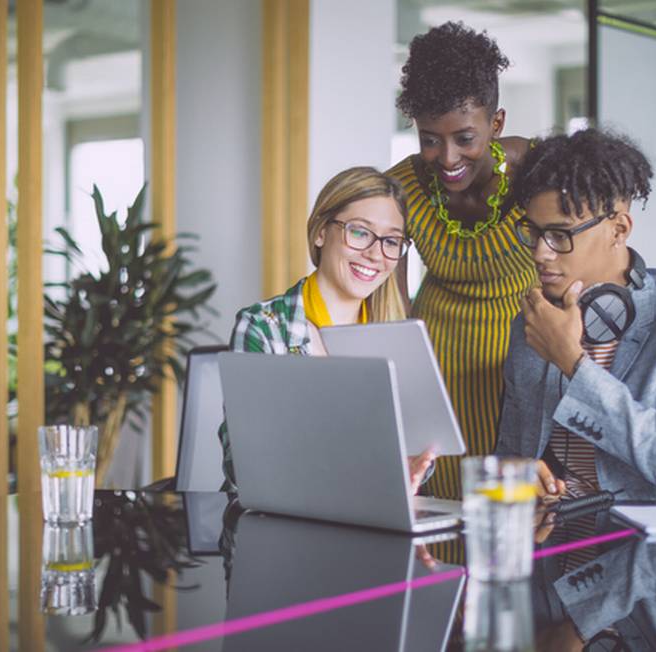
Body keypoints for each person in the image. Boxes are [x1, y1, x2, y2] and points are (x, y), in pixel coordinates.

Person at [496, 128, 656, 505]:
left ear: (618, 229)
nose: (540, 254)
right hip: (560, 548)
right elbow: (510, 458)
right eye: (532, 232)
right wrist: (517, 478)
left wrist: (573, 363)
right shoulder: (533, 322)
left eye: (560, 235)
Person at [388, 21, 538, 500]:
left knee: (508, 527)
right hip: (435, 382)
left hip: (519, 379)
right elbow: (393, 308)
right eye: (430, 138)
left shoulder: (540, 175)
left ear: (496, 124)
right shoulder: (404, 187)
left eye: (465, 138)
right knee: (440, 525)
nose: (446, 156)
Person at [218, 166, 436, 494]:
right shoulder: (263, 327)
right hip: (274, 527)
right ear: (321, 231)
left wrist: (408, 468)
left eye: (391, 241)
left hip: (370, 517)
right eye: (360, 232)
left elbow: (418, 447)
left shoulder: (400, 340)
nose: (376, 254)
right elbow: (243, 464)